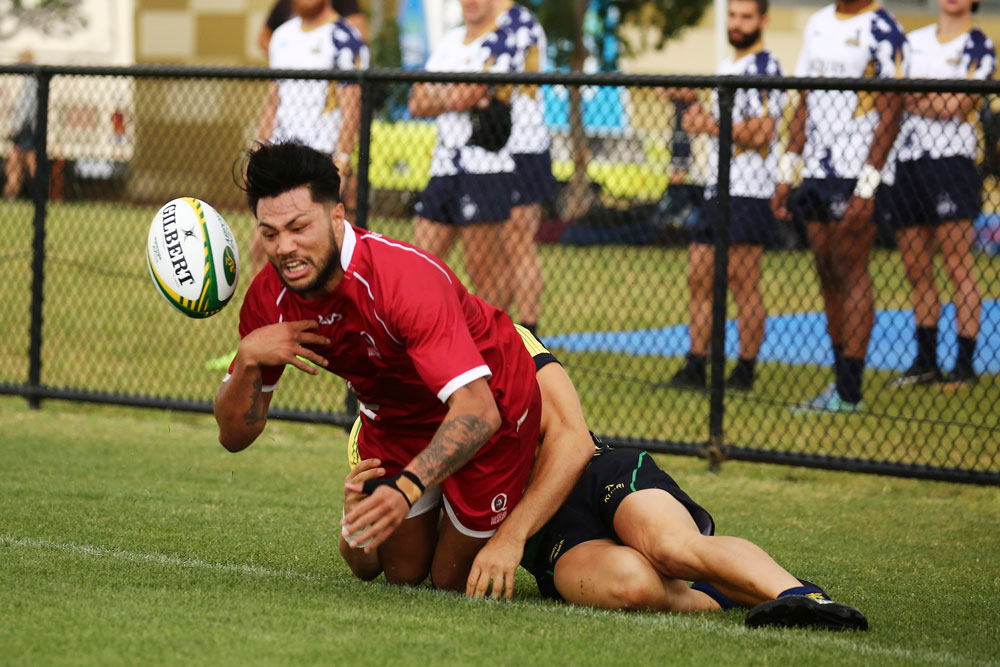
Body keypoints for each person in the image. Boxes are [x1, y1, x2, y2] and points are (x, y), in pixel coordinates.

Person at [344, 328, 869, 631]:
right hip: (550, 538)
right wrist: (357, 527)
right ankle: (729, 598)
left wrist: (509, 536)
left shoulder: (495, 339)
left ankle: (807, 599)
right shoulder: (376, 429)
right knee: (633, 585)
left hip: (593, 473)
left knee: (669, 547)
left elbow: (571, 442)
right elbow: (387, 563)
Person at [215, 140, 546, 594]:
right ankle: (436, 502)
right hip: (395, 421)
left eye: (298, 227)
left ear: (336, 217)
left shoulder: (402, 280)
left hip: (493, 404)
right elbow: (235, 436)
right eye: (269, 233)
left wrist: (408, 487)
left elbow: (479, 410)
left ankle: (519, 497)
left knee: (450, 581)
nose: (284, 248)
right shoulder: (268, 298)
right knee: (403, 576)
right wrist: (249, 359)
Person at [206, 0, 368, 372]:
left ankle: (349, 344)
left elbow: (353, 102)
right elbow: (274, 98)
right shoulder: (281, 36)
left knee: (340, 260)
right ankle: (258, 343)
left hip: (320, 164)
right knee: (260, 250)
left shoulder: (344, 37)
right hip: (279, 166)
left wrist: (341, 162)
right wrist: (257, 154)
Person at [772, 0, 908, 413]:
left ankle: (851, 389)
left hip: (857, 171)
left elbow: (892, 109)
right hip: (816, 169)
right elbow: (803, 102)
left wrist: (867, 186)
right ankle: (838, 381)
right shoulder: (816, 23)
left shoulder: (884, 28)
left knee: (852, 270)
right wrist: (786, 170)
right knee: (826, 271)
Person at [666, 0, 783, 391]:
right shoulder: (727, 66)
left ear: (763, 20)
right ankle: (696, 365)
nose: (737, 23)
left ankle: (745, 371)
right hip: (718, 188)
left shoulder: (766, 67)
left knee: (742, 282)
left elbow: (763, 131)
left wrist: (711, 125)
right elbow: (727, 126)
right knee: (698, 276)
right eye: (733, 16)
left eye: (746, 16)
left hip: (749, 189)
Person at [885, 0, 994, 389]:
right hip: (909, 160)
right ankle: (925, 361)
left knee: (957, 265)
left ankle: (964, 365)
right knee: (916, 269)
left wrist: (915, 96)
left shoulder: (979, 46)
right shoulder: (911, 42)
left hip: (952, 163)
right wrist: (929, 98)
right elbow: (894, 95)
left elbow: (955, 105)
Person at [408, 0, 518, 309]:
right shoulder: (449, 41)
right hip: (444, 166)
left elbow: (462, 96)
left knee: (482, 269)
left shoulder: (502, 42)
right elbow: (417, 102)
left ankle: (496, 346)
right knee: (419, 263)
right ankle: (425, 337)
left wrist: (442, 91)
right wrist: (455, 93)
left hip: (486, 168)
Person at [494, 1, 556, 338]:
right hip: (498, 148)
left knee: (519, 241)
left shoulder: (518, 23)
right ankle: (500, 328)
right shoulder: (490, 21)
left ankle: (529, 331)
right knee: (501, 242)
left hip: (524, 146)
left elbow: (497, 83)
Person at [258, 0, 368, 53]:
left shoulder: (343, 6)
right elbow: (263, 38)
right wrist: (289, 54)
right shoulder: (283, 32)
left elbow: (359, 34)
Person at [4, 51, 38, 201]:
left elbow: (25, 109)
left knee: (21, 162)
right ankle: (35, 193)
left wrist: (16, 129)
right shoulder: (33, 80)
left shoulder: (29, 81)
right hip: (29, 128)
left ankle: (15, 192)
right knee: (26, 162)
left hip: (25, 129)